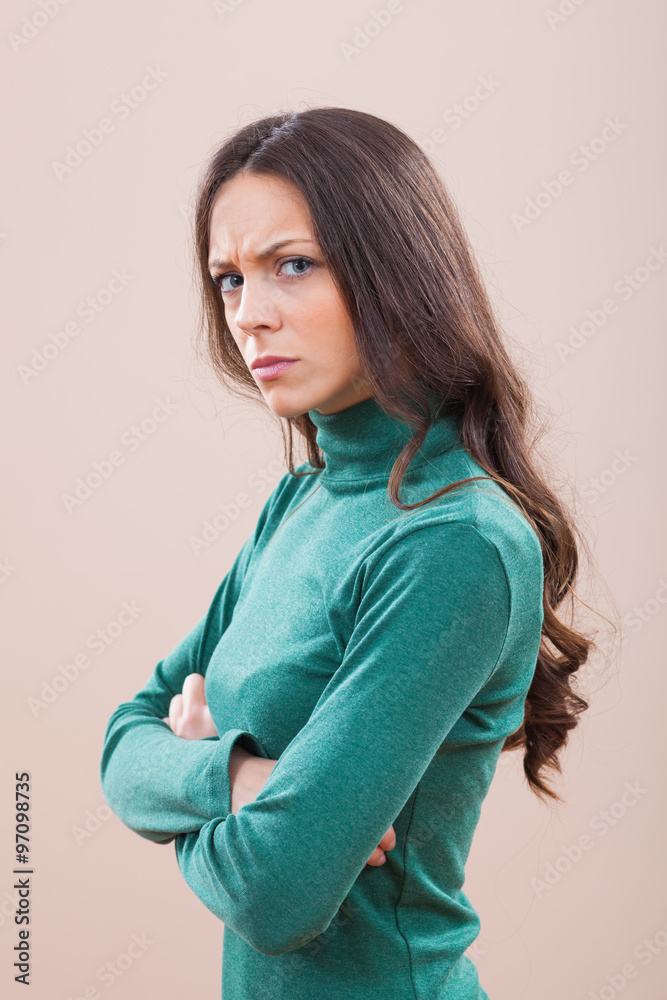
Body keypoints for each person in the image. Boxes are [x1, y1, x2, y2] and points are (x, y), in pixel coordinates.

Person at [100, 107, 595, 999]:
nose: (249, 315)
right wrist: (243, 778)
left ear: (395, 270)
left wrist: (192, 785)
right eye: (227, 279)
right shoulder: (301, 500)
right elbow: (119, 745)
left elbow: (276, 894)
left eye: (292, 265)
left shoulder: (454, 545)